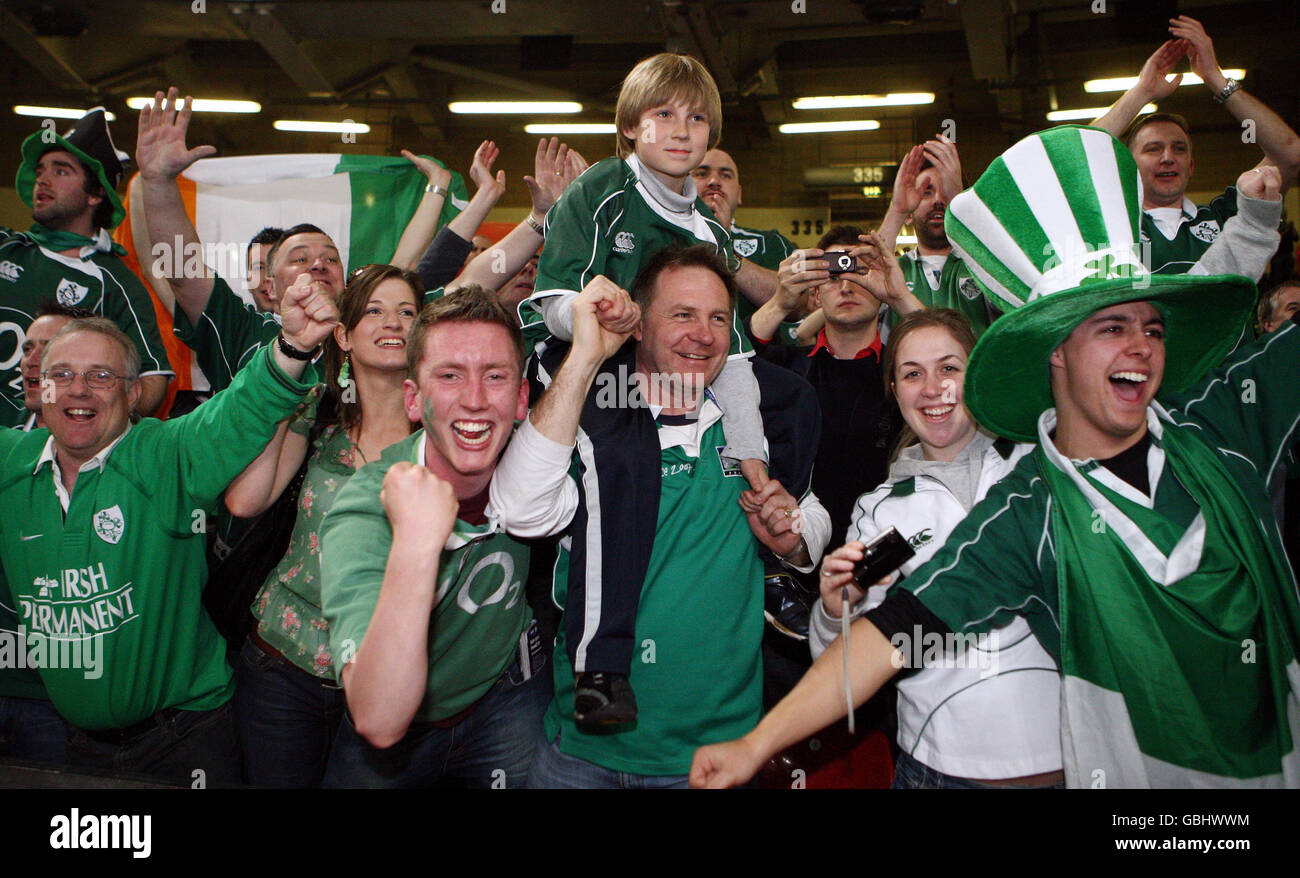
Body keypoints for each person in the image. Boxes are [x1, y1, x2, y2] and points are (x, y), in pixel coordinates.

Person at [690, 124, 1300, 789]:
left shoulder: (1225, 426)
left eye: (1152, 326)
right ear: (1055, 352)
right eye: (1110, 326)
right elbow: (890, 633)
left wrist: (1255, 225)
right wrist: (757, 743)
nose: (1140, 347)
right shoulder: (1028, 512)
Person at [490, 245, 829, 787]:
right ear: (639, 327)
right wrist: (583, 360)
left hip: (715, 754)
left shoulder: (757, 420)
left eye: (719, 318)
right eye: (683, 315)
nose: (704, 334)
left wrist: (794, 541)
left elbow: (810, 514)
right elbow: (520, 511)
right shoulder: (591, 424)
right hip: (583, 751)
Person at [518, 52, 776, 726]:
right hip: (576, 360)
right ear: (630, 126)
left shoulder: (712, 232)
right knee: (623, 458)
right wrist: (595, 314)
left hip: (664, 376)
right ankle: (599, 667)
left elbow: (739, 363)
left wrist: (756, 467)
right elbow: (548, 297)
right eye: (663, 114)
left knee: (783, 405)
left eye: (695, 117)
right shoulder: (604, 187)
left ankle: (782, 582)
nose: (681, 130)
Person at [0, 275, 333, 785]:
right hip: (78, 746)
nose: (78, 390)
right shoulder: (9, 464)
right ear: (38, 388)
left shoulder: (163, 454)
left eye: (100, 376)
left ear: (134, 392)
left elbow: (236, 412)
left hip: (186, 739)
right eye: (60, 374)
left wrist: (291, 347)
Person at [811, 309, 1062, 788]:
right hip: (938, 771)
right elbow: (846, 660)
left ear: (978, 373)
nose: (932, 388)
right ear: (894, 390)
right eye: (912, 374)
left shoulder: (1039, 462)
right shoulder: (879, 511)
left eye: (949, 368)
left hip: (1074, 757)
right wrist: (832, 610)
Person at [318, 288, 550, 788]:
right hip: (401, 725)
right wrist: (417, 544)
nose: (474, 398)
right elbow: (378, 720)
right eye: (449, 376)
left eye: (495, 376)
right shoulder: (365, 508)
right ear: (413, 400)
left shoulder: (540, 467)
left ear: (521, 399)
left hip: (506, 695)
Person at [220, 264, 421, 787]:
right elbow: (244, 500)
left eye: (407, 312)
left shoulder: (444, 435)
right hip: (280, 667)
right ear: (343, 335)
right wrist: (290, 392)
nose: (392, 322)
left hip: (383, 677)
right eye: (373, 311)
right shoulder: (314, 411)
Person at [135, 87, 458, 393]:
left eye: (331, 258)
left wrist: (437, 187)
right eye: (300, 259)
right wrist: (158, 181)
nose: (319, 264)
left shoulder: (371, 331)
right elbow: (183, 271)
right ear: (270, 286)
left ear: (344, 283)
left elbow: (406, 266)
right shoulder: (240, 329)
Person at [1, 108, 173, 427]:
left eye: (61, 171)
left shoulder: (115, 283)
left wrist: (94, 435)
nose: (43, 179)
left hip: (36, 460)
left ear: (96, 194)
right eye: (40, 170)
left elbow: (151, 379)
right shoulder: (5, 248)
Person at [751, 226, 920, 546]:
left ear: (880, 291)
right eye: (832, 276)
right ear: (814, 294)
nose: (846, 286)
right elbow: (731, 365)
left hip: (890, 552)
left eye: (859, 275)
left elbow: (956, 369)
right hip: (797, 551)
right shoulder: (788, 371)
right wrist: (780, 302)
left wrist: (900, 296)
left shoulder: (907, 374)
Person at [1091, 17, 1300, 274]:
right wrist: (1142, 91)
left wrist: (1215, 78)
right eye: (1153, 148)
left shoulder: (1227, 216)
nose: (1168, 157)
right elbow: (1069, 157)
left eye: (1179, 148)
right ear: (1129, 166)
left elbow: (1290, 154)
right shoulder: (1111, 224)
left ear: (1191, 166)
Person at [691, 147, 794, 329]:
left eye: (726, 175)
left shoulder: (769, 243)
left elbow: (796, 303)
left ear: (739, 194)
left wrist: (727, 253)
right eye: (701, 173)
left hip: (756, 355)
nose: (714, 181)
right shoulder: (658, 236)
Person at [245, 226, 285, 314]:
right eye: (259, 267)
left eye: (275, 265)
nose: (267, 276)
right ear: (248, 280)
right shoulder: (237, 325)